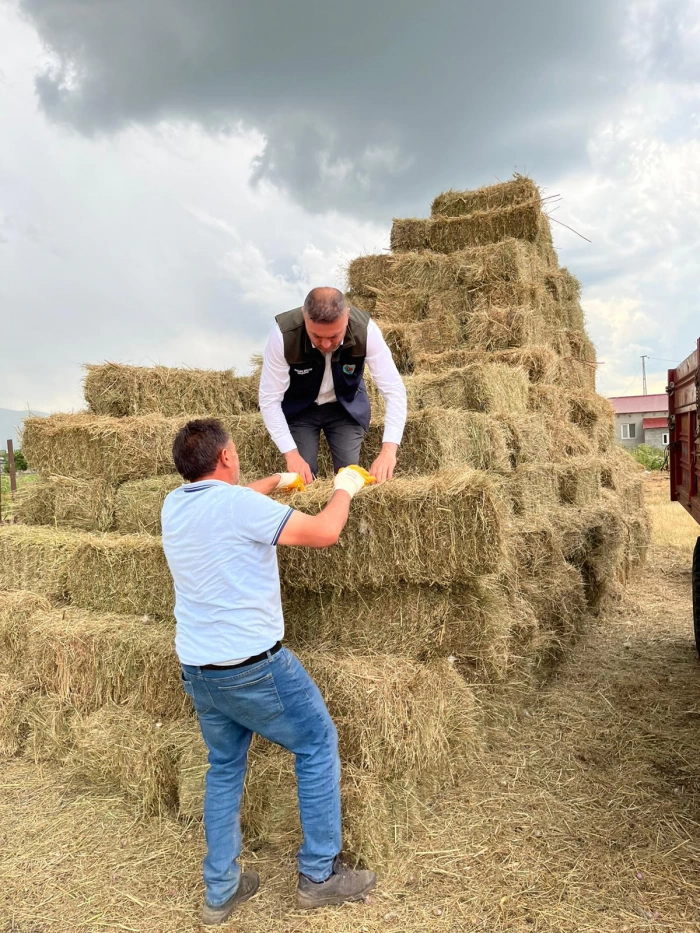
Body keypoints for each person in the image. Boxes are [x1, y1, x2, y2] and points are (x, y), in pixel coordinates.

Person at [161, 418, 377, 925]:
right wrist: (344, 487)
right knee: (317, 742)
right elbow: (324, 532)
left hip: (199, 669)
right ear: (227, 458)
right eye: (235, 451)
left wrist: (279, 482)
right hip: (253, 667)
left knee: (225, 767)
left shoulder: (175, 505)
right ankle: (319, 875)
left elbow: (234, 501)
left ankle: (221, 889)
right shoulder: (237, 506)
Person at [258, 286, 407, 485]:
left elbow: (394, 390)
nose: (326, 345)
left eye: (334, 336)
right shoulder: (283, 335)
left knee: (349, 475)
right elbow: (269, 399)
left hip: (345, 406)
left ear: (347, 315)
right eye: (317, 336)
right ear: (304, 316)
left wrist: (389, 451)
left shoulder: (366, 330)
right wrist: (291, 454)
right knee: (303, 478)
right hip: (300, 408)